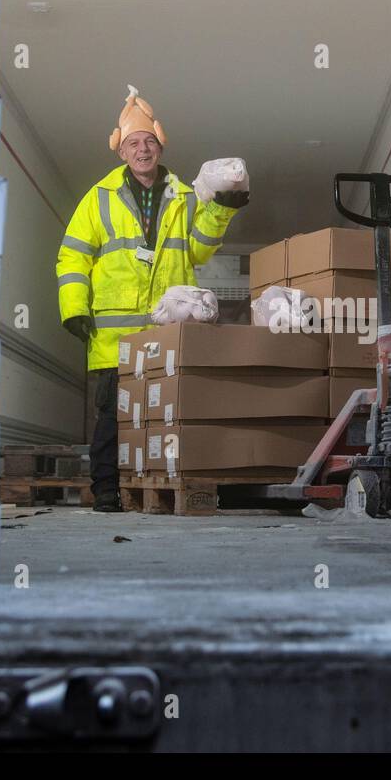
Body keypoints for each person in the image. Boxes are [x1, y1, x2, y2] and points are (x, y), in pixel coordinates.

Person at [56, 86, 249, 512]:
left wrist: (222, 211)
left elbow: (198, 249)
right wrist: (73, 308)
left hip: (167, 332)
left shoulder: (184, 197)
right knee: (111, 421)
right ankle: (107, 493)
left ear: (160, 145)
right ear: (120, 151)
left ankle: (166, 488)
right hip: (113, 335)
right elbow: (73, 254)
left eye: (148, 142)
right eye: (132, 144)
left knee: (170, 416)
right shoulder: (98, 198)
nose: (142, 150)